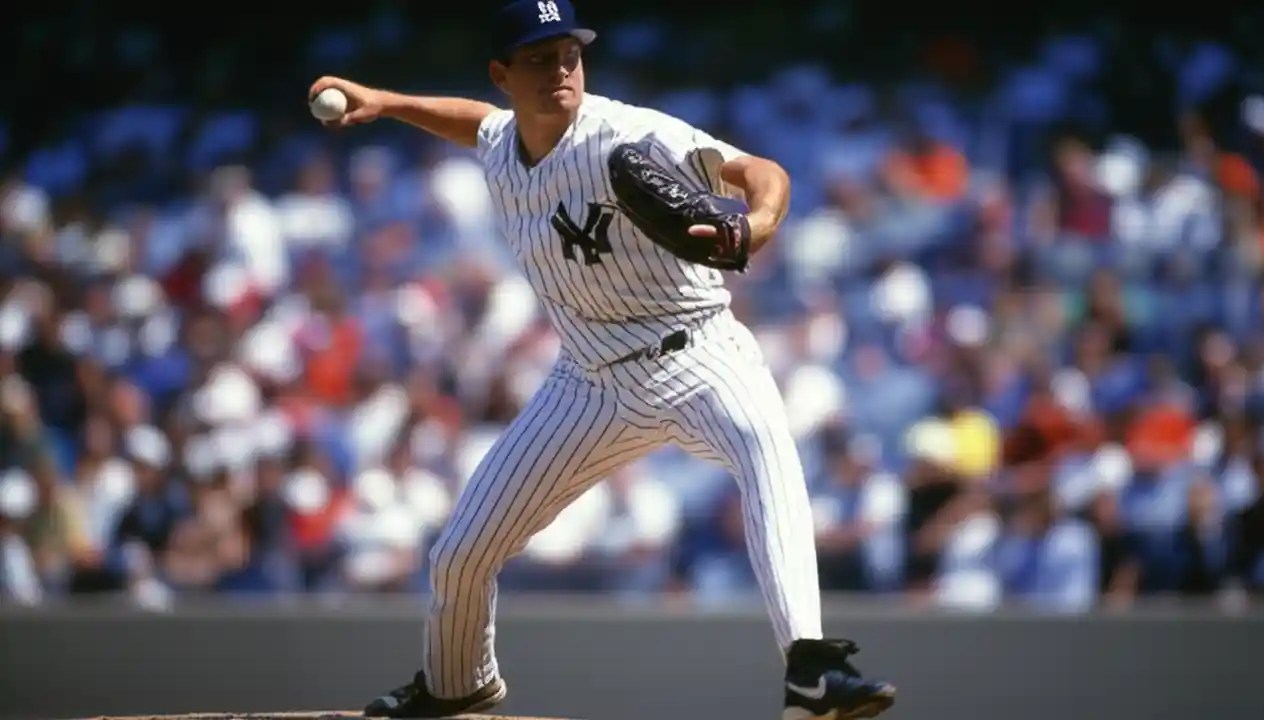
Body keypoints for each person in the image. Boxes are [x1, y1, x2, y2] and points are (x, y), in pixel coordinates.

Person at [311, 1, 896, 717]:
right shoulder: (502, 141)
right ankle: (457, 683)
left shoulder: (629, 134)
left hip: (699, 352)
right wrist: (386, 102)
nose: (560, 70)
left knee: (766, 456)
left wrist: (761, 221)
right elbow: (475, 122)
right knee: (461, 553)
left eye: (568, 54)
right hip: (586, 380)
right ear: (503, 74)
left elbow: (757, 169)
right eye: (537, 58)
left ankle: (810, 668)